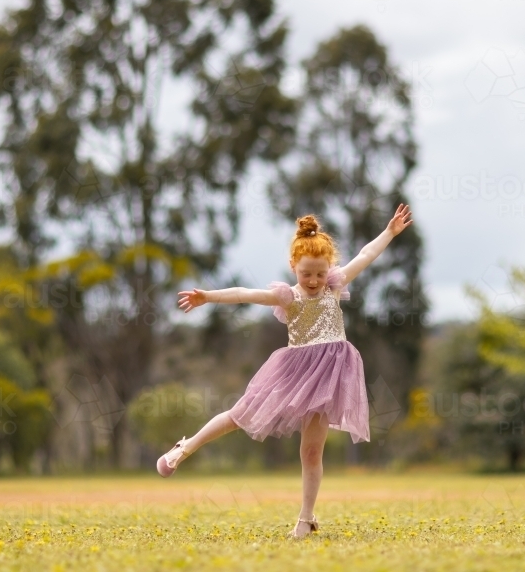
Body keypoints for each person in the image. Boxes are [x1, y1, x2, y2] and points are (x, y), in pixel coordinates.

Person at [157, 204, 414, 539]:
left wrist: (390, 232)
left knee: (311, 451)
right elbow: (244, 295)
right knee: (240, 414)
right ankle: (185, 447)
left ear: (329, 270)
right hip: (293, 371)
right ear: (294, 267)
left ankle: (306, 518)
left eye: (320, 274)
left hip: (331, 374)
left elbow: (366, 254)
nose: (313, 280)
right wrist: (208, 296)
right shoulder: (287, 297)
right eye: (306, 273)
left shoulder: (334, 286)